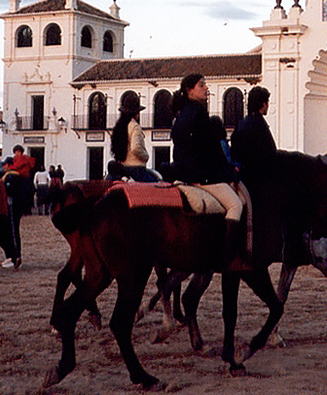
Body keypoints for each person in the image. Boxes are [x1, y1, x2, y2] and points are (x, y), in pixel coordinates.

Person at [170, 73, 242, 266]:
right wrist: (229, 171)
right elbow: (210, 151)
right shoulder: (199, 113)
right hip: (201, 176)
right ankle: (227, 255)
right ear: (189, 90)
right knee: (236, 205)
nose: (206, 88)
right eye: (201, 85)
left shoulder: (181, 115)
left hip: (183, 173)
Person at [230, 86, 277, 185]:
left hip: (244, 174)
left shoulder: (243, 122)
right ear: (264, 104)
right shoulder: (259, 124)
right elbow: (270, 152)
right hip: (258, 178)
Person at [109, 92, 159, 182]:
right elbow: (136, 148)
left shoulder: (119, 127)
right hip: (137, 170)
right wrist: (146, 156)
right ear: (136, 113)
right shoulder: (135, 126)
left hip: (124, 168)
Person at [3, 156, 28, 268]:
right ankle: (14, 256)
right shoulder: (19, 176)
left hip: (12, 207)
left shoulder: (11, 177)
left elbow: (9, 192)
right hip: (17, 207)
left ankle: (16, 257)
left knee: (13, 232)